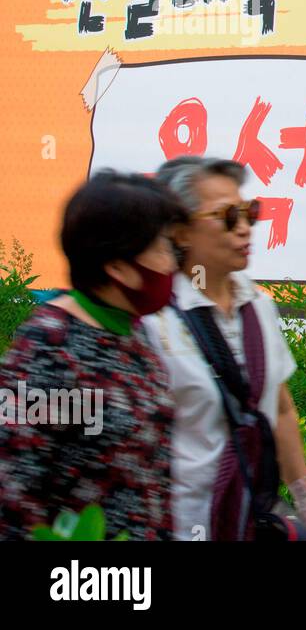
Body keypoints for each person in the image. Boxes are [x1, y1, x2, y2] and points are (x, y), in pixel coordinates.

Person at [142, 156, 306, 541]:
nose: (246, 228)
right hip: (181, 527)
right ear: (180, 232)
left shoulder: (259, 307)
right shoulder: (155, 321)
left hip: (252, 521)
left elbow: (280, 408)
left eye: (250, 212)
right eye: (228, 216)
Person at [0, 171, 184, 540]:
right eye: (162, 249)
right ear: (117, 267)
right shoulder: (53, 347)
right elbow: (15, 490)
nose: (173, 265)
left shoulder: (130, 330)